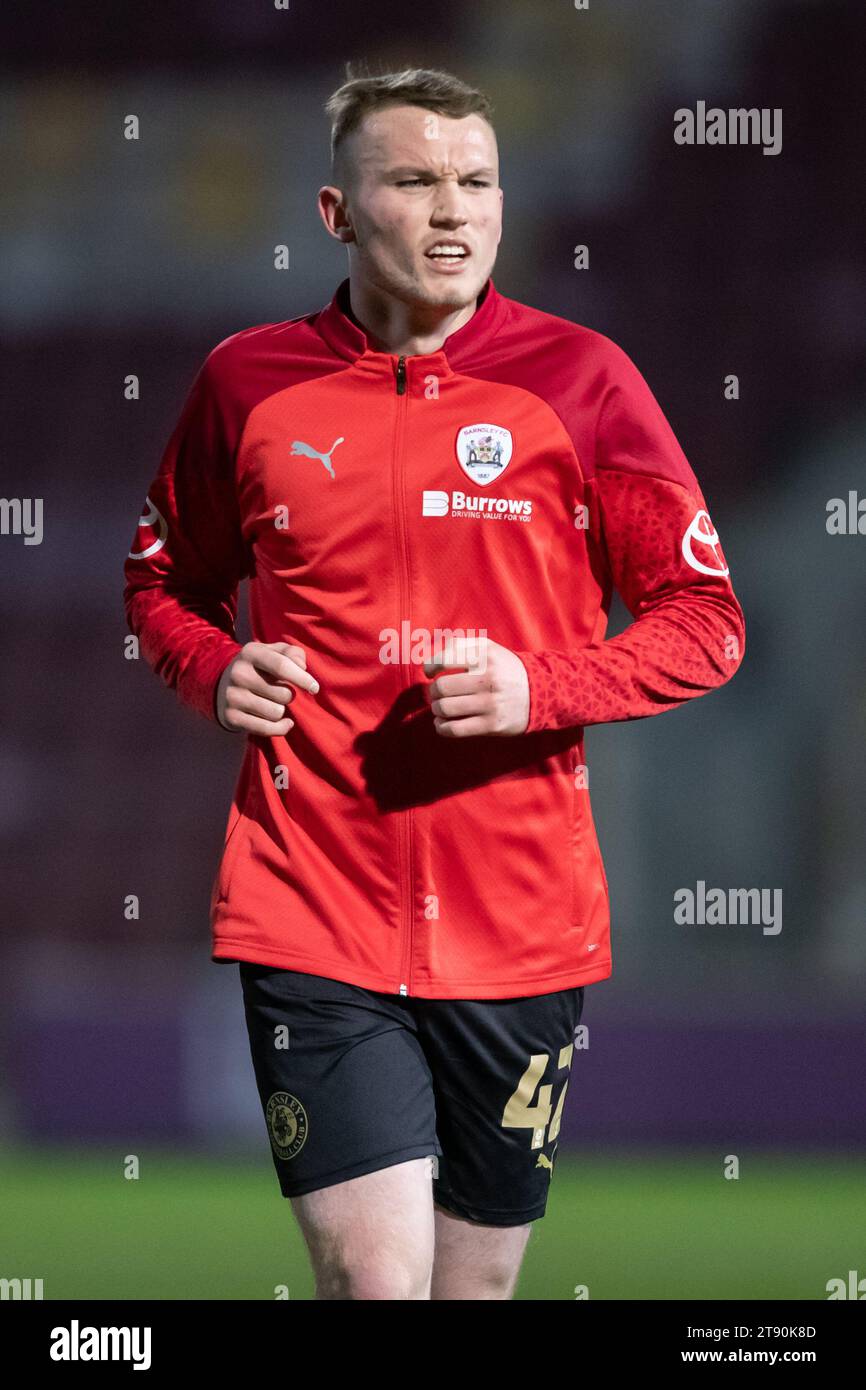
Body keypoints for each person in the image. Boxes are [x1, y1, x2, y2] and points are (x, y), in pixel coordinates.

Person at [123, 65, 745, 1300]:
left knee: (471, 1291)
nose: (453, 210)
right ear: (336, 212)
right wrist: (210, 664)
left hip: (519, 922)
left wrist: (540, 689)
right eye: (412, 181)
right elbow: (161, 584)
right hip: (311, 902)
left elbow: (706, 623)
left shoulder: (582, 382)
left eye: (476, 181)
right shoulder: (246, 382)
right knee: (374, 1280)